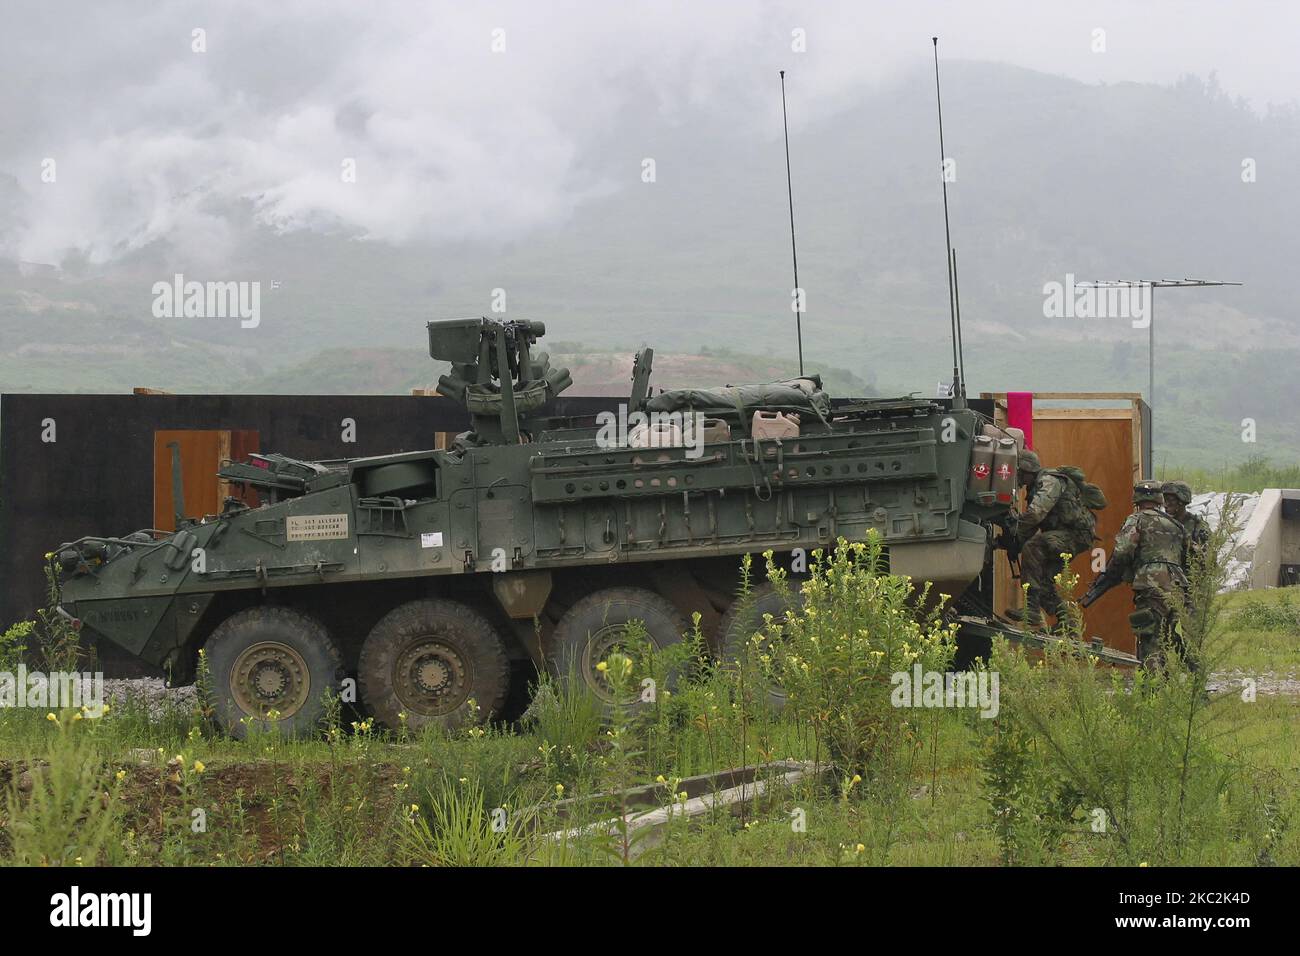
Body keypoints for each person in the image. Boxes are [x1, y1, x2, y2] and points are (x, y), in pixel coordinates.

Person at [1083, 480, 1190, 671]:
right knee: (1172, 637)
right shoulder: (1175, 524)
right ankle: (1195, 682)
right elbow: (1190, 556)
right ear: (1159, 499)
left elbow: (1122, 551)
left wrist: (1109, 575)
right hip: (1177, 588)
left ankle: (1151, 692)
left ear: (1136, 498)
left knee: (1149, 641)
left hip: (1151, 588)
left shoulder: (1136, 519)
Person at [1005, 450, 1098, 628]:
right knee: (1043, 580)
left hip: (1075, 535)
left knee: (1032, 547)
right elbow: (1030, 527)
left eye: (1019, 472)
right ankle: (1068, 623)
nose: (1017, 477)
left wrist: (1016, 527)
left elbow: (1036, 514)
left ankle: (1031, 609)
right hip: (1064, 535)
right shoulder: (1036, 486)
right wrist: (1008, 541)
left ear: (1026, 470)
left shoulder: (1048, 481)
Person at [1162, 480, 1210, 576]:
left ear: (1181, 501)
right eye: (1164, 500)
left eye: (1170, 500)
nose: (1165, 505)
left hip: (1190, 579)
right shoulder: (1161, 523)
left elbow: (1207, 558)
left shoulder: (1197, 525)